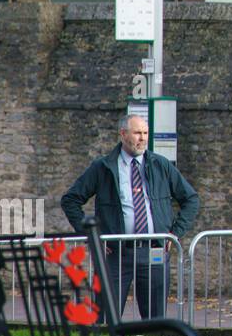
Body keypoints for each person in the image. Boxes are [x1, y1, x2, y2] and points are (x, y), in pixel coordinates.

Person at [61, 112, 200, 319]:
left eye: (145, 133)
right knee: (106, 318)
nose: (142, 138)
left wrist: (175, 233)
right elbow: (71, 200)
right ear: (123, 134)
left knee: (155, 320)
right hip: (115, 254)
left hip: (154, 251)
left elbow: (191, 199)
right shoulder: (103, 167)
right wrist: (92, 235)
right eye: (137, 133)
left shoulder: (160, 165)